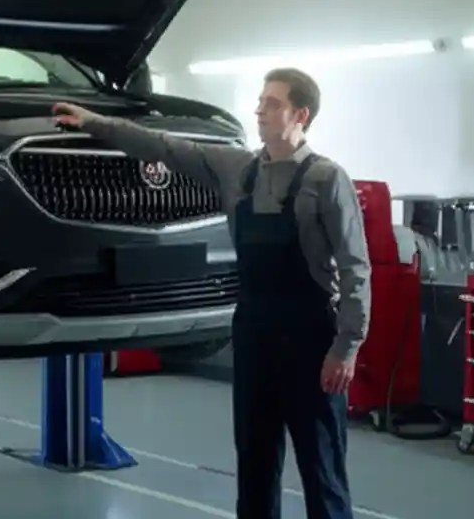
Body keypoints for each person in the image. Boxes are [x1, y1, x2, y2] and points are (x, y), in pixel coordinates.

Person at [52, 67, 371, 519]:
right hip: (255, 332)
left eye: (273, 103)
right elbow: (164, 147)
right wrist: (94, 122)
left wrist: (347, 345)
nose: (260, 110)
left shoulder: (326, 179)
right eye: (260, 100)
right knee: (255, 460)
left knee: (321, 464)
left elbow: (356, 267)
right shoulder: (236, 168)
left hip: (311, 339)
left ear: (300, 114)